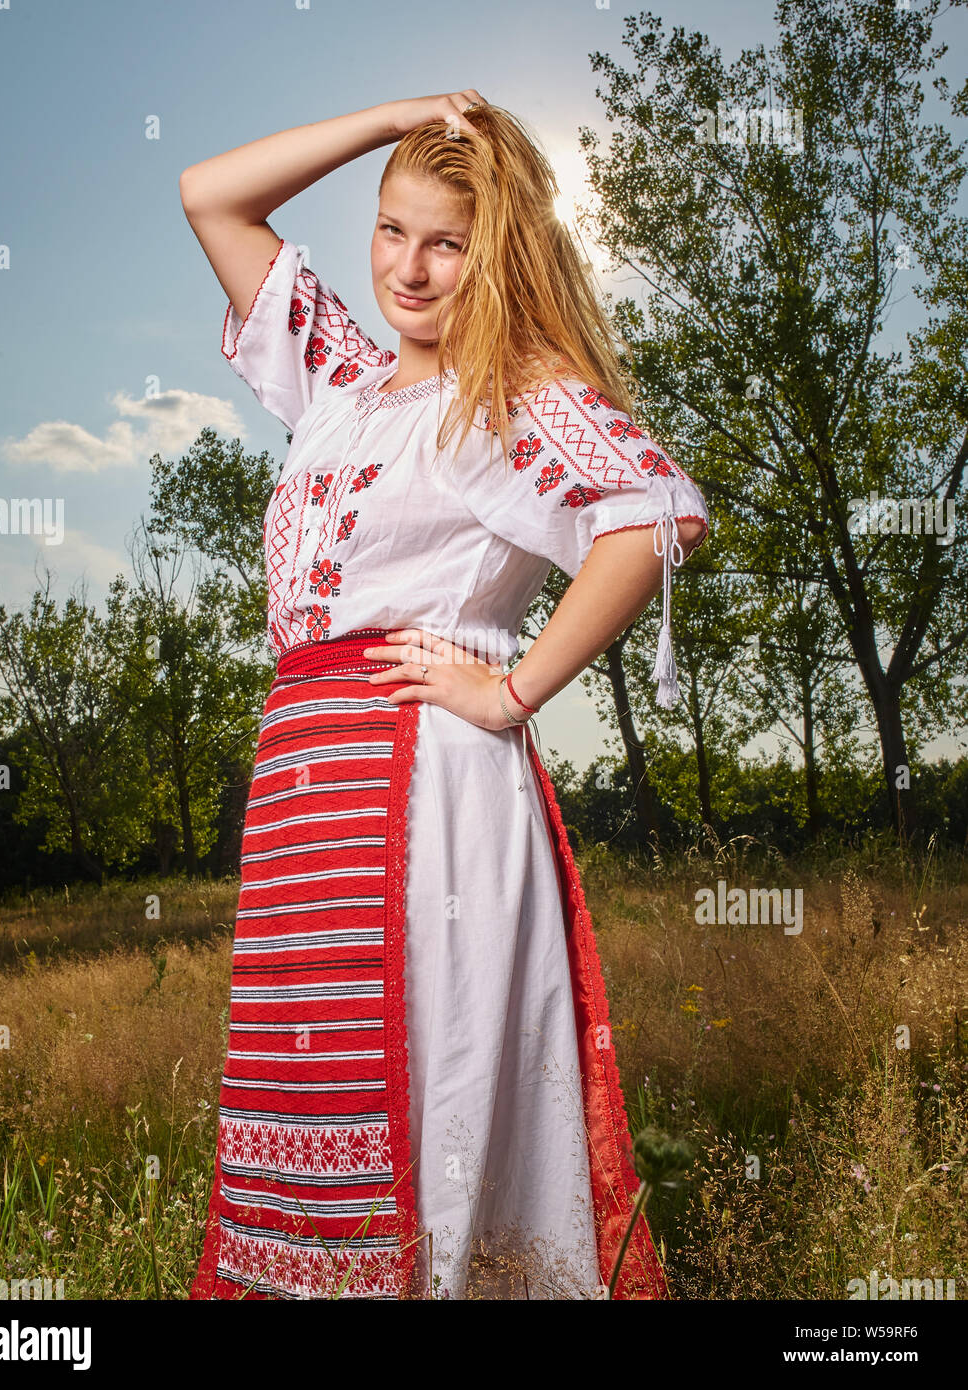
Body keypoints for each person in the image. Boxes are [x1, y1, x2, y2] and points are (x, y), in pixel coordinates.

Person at [181, 92, 709, 1301]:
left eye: (445, 241)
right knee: (310, 1090)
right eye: (388, 229)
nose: (407, 269)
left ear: (496, 252)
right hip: (308, 783)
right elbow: (208, 191)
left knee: (440, 1077)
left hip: (424, 785)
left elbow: (652, 522)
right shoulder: (341, 384)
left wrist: (510, 688)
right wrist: (395, 122)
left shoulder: (509, 396)